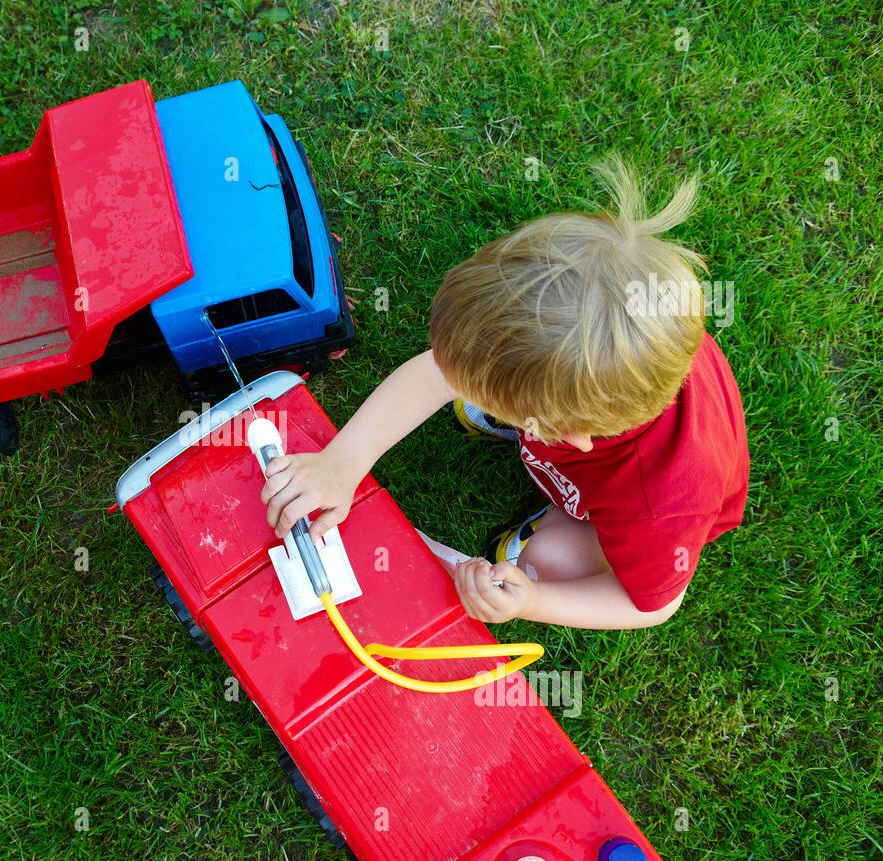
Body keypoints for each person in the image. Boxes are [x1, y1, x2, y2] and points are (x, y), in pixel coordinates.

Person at [260, 157, 749, 630]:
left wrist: (534, 600)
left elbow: (649, 607)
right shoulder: (583, 345)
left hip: (608, 507)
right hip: (567, 415)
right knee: (483, 372)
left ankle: (545, 527)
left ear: (566, 434)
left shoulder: (661, 501)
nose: (451, 379)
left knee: (548, 562)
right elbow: (434, 373)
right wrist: (342, 462)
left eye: (502, 402)